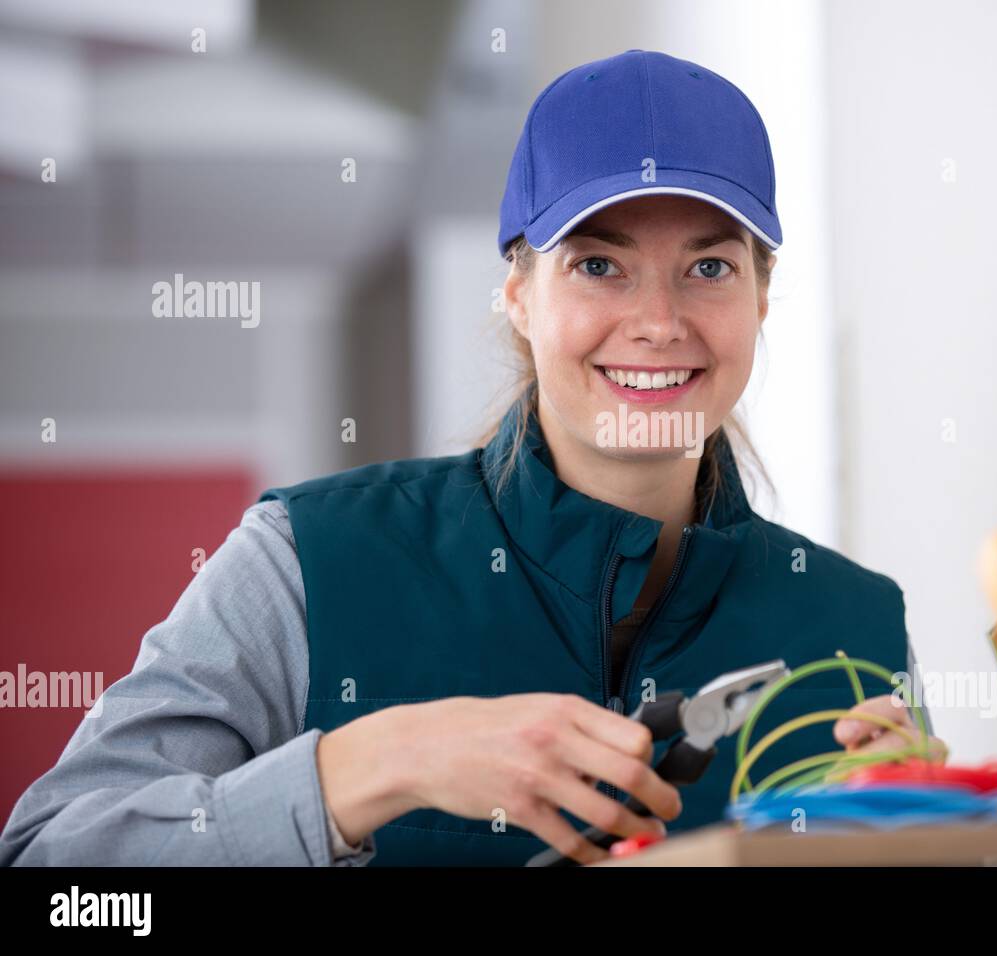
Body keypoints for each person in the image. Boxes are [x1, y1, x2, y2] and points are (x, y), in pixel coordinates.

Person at [0, 49, 944, 868]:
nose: (659, 324)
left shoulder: (856, 631)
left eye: (709, 267)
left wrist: (939, 843)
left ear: (762, 297)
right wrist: (371, 766)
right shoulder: (305, 561)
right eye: (597, 263)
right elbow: (60, 872)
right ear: (520, 295)